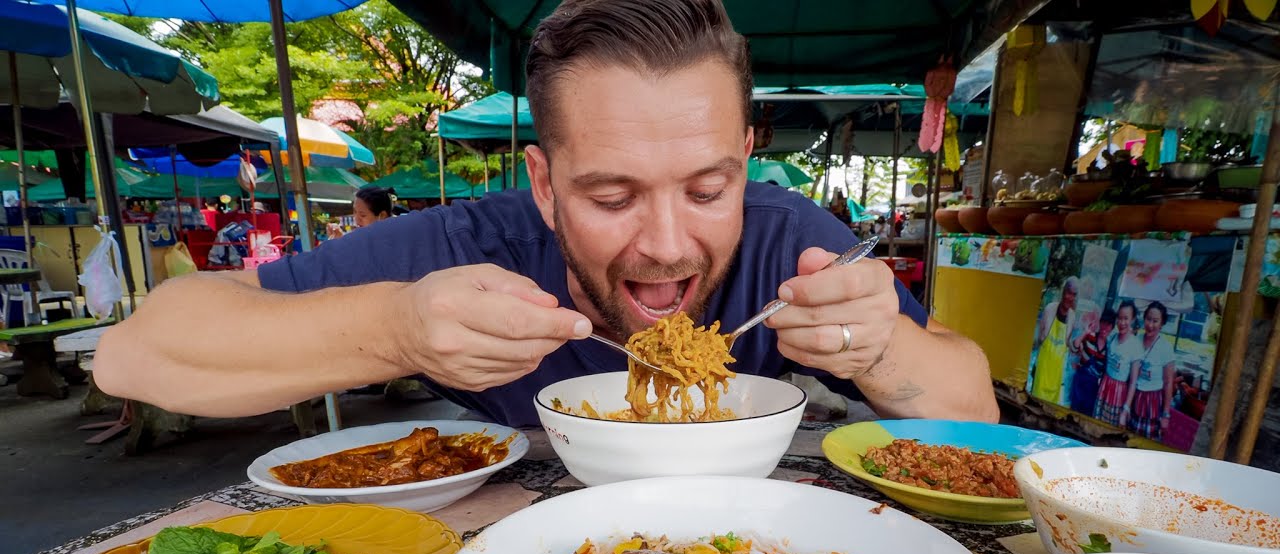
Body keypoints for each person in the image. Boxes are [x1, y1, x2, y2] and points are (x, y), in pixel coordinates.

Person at [92, 0, 998, 429]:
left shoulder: (793, 245)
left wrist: (883, 349)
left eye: (709, 187)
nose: (670, 242)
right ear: (543, 183)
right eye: (610, 196)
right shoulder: (464, 252)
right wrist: (396, 330)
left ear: (746, 163)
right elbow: (139, 354)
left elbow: (976, 415)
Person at [1124, 301, 1176, 441]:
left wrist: (1166, 414)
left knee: (1146, 444)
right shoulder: (1136, 340)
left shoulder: (1166, 348)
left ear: (1162, 323)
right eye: (1148, 319)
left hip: (1152, 402)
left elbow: (1168, 383)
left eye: (1155, 321)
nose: (1150, 325)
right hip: (1134, 397)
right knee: (1128, 439)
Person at [1029, 277, 1078, 405]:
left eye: (1073, 294)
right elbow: (1040, 338)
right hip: (1043, 368)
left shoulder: (1072, 316)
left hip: (1056, 372)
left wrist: (1078, 345)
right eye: (1068, 292)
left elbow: (1068, 343)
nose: (1070, 297)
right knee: (1035, 403)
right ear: (1063, 292)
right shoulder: (1050, 309)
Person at [1094, 300, 1141, 426]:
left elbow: (1132, 382)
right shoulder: (1112, 338)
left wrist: (1125, 410)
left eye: (1126, 318)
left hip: (1118, 395)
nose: (1122, 323)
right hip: (1104, 387)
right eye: (1119, 318)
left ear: (1133, 319)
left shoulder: (1136, 346)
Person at [1068, 307, 1112, 415]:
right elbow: (1074, 347)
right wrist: (1085, 332)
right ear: (1100, 323)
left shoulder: (1109, 348)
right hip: (1079, 385)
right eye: (1103, 323)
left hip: (1092, 391)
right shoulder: (1090, 337)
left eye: (1109, 324)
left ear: (1112, 327)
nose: (1105, 327)